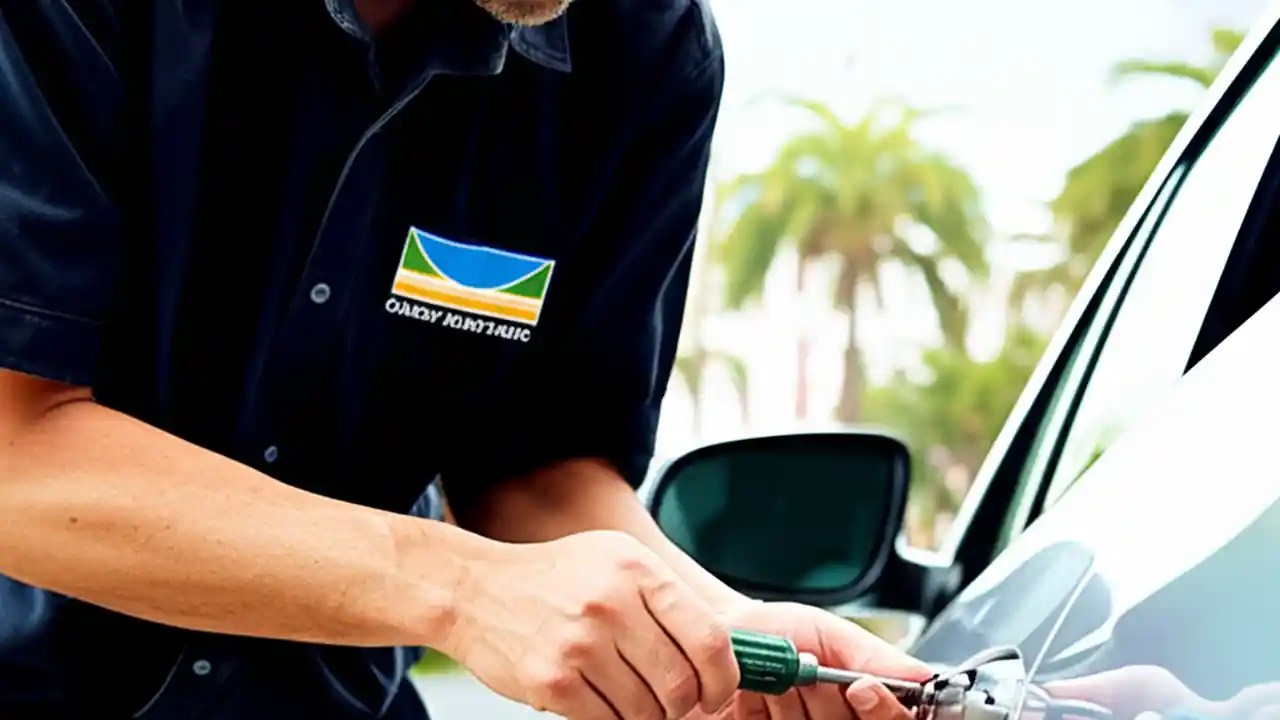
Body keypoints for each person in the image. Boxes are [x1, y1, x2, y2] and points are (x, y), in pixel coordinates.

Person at [0, 1, 931, 718]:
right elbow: (15, 453)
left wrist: (708, 626)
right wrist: (457, 587)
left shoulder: (642, 51)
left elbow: (537, 464)